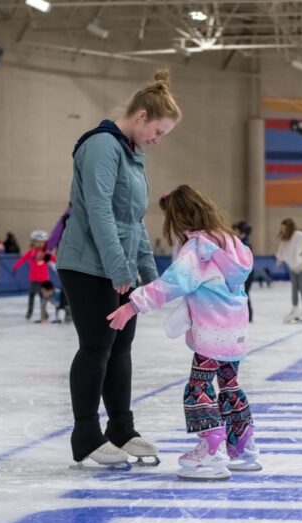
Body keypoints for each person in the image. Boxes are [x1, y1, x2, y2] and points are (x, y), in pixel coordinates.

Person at [56, 69, 181, 469]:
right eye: (158, 131)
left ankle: (121, 428)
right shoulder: (101, 147)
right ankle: (87, 434)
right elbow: (98, 213)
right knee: (96, 348)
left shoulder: (132, 155)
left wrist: (148, 274)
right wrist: (117, 268)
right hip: (88, 266)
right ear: (141, 116)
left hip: (117, 267)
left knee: (120, 349)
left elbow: (133, 221)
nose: (158, 140)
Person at [107, 184, 259, 481]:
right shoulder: (231, 241)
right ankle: (243, 448)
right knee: (229, 384)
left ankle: (211, 451)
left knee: (199, 388)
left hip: (211, 331)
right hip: (236, 330)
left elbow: (171, 284)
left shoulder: (198, 249)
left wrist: (131, 305)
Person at [276, 218, 302, 323]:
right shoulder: (284, 238)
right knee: (294, 288)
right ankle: (295, 310)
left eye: (284, 228)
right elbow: (281, 250)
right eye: (281, 227)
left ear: (289, 227)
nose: (282, 230)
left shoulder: (298, 235)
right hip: (293, 267)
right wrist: (279, 260)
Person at [13, 230, 56, 321]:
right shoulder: (31, 252)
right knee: (31, 295)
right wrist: (15, 266)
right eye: (36, 242)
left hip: (43, 279)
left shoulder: (46, 253)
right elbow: (23, 259)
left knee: (43, 297)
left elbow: (55, 259)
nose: (38, 244)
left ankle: (45, 313)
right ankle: (30, 311)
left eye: (41, 242)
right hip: (33, 278)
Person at [233, 220, 255, 322]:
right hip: (242, 273)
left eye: (236, 231)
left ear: (243, 233)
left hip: (247, 274)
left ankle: (248, 317)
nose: (234, 233)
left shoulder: (245, 244)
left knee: (245, 293)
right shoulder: (239, 243)